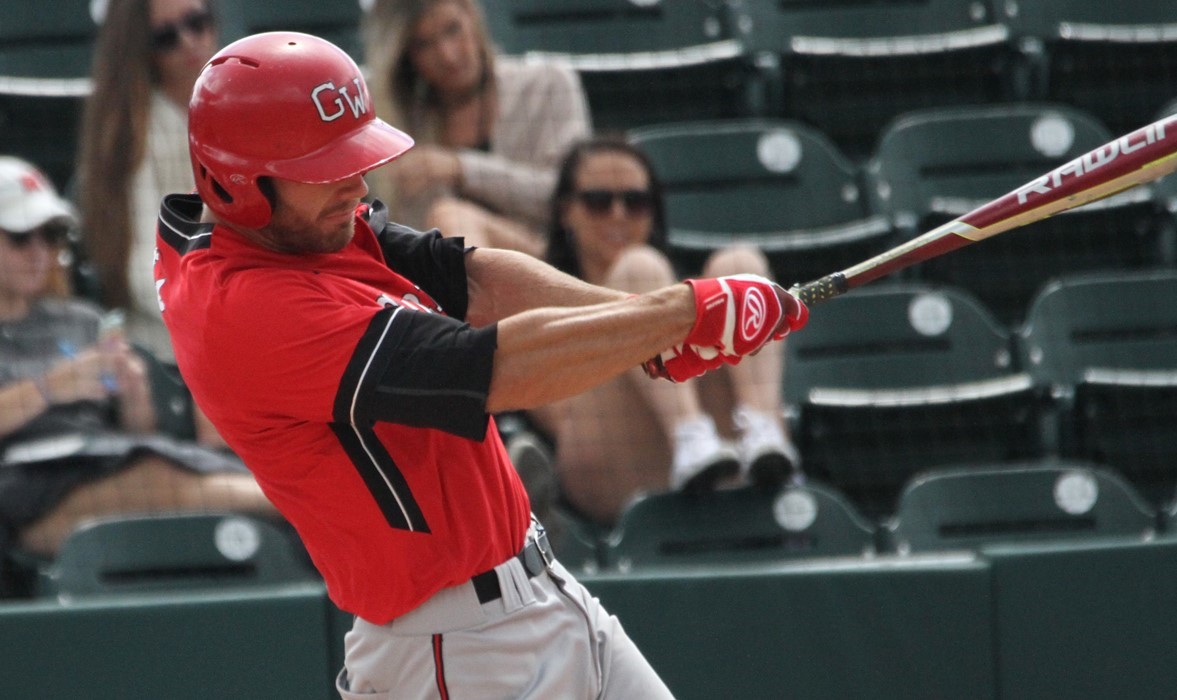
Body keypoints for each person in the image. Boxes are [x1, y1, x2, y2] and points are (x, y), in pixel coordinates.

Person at [157, 32, 805, 698]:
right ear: (240, 182)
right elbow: (489, 368)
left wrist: (641, 324)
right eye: (324, 168)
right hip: (454, 652)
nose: (355, 183)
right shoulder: (245, 310)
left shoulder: (302, 227)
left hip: (542, 595)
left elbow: (474, 280)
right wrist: (673, 314)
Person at [0, 155, 277, 571]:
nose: (40, 252)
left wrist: (131, 390)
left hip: (105, 458)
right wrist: (50, 387)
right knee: (154, 471)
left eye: (52, 235)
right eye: (22, 238)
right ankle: (299, 501)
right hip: (26, 479)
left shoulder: (82, 319)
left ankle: (294, 502)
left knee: (153, 462)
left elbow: (135, 432)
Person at [533, 137, 802, 525]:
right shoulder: (542, 293)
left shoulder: (671, 283)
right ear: (565, 212)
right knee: (637, 270)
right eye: (597, 201)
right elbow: (557, 414)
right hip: (607, 456)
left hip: (725, 457)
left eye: (636, 201)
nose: (618, 215)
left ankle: (762, 432)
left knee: (739, 264)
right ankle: (688, 435)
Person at [362, 0, 592, 257]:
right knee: (451, 219)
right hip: (446, 281)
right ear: (405, 57)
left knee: (454, 217)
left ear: (472, 16)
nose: (448, 56)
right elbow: (406, 236)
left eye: (453, 29)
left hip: (554, 259)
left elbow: (574, 200)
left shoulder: (547, 84)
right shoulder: (399, 123)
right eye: (423, 45)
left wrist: (460, 168)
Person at [75, 0, 220, 362]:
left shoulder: (247, 99)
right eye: (166, 36)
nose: (189, 42)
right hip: (172, 344)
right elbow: (145, 277)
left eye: (197, 22)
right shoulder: (134, 134)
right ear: (139, 47)